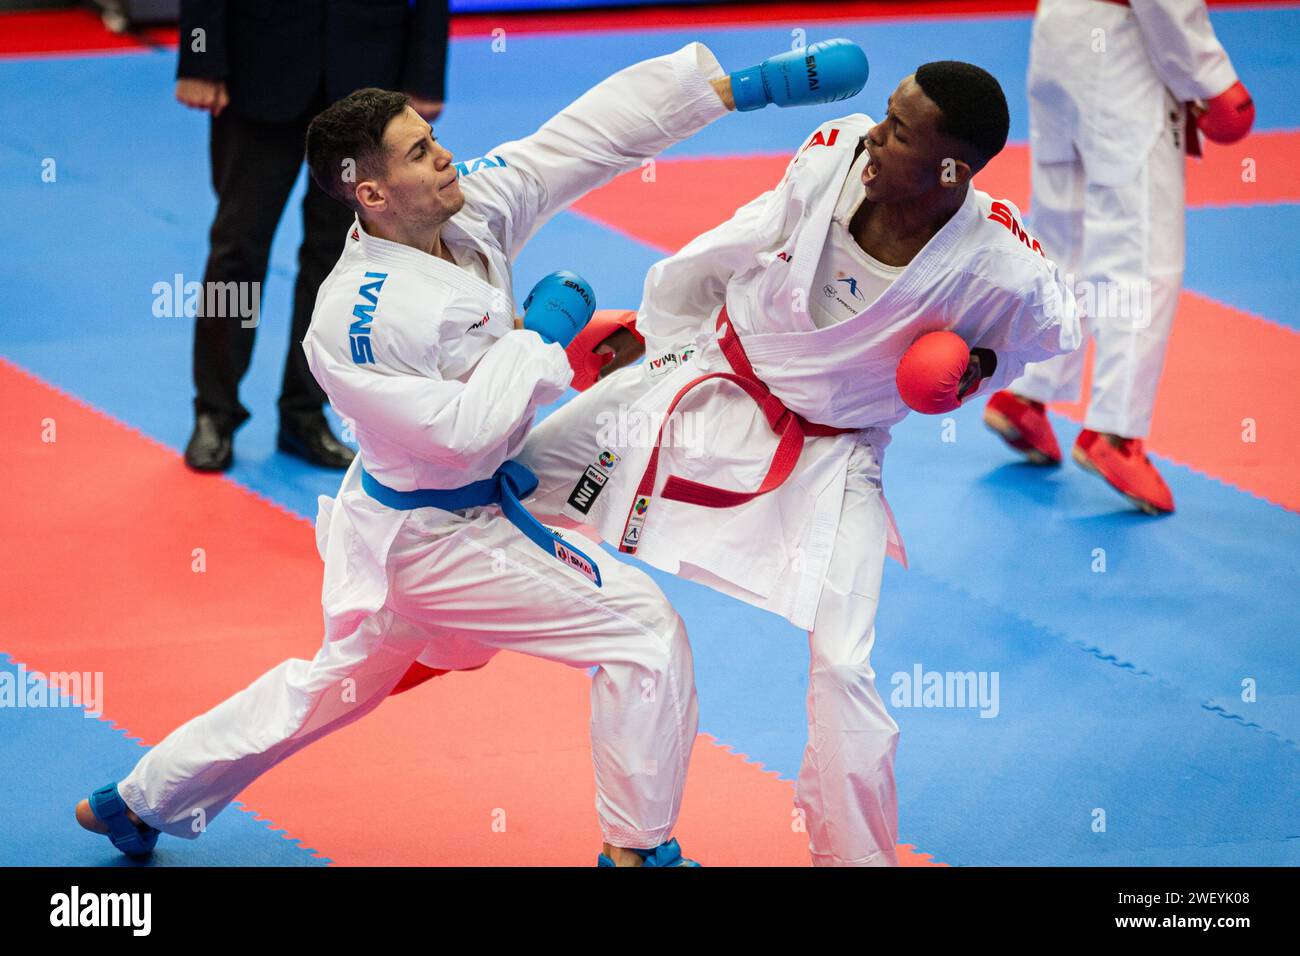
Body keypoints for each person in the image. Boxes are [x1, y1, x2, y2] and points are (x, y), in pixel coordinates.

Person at [76, 40, 871, 866]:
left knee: (327, 691)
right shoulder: (353, 322)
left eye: (432, 135)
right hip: (435, 537)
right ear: (373, 191)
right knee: (643, 633)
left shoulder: (466, 204)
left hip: (427, 512)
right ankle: (638, 852)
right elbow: (466, 432)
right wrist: (546, 341)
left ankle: (138, 800)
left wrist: (736, 91)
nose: (446, 152)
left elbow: (581, 140)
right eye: (420, 150)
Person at [511, 62, 1083, 866]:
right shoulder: (832, 156)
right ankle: (411, 636)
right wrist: (649, 329)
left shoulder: (999, 261)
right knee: (501, 489)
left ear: (953, 168)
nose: (874, 138)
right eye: (886, 116)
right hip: (709, 376)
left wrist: (980, 368)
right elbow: (735, 242)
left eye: (900, 134)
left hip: (834, 453)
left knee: (846, 665)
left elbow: (1063, 326)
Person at [982, 0, 1254, 514]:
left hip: (1058, 38)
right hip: (1120, 54)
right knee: (1142, 249)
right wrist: (1212, 78)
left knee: (1063, 229)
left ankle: (1026, 392)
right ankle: (1116, 431)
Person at [176, 0, 451, 472]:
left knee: (338, 259)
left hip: (366, 77)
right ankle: (214, 412)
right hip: (257, 66)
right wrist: (201, 59)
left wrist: (424, 73)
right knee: (237, 250)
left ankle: (305, 413)